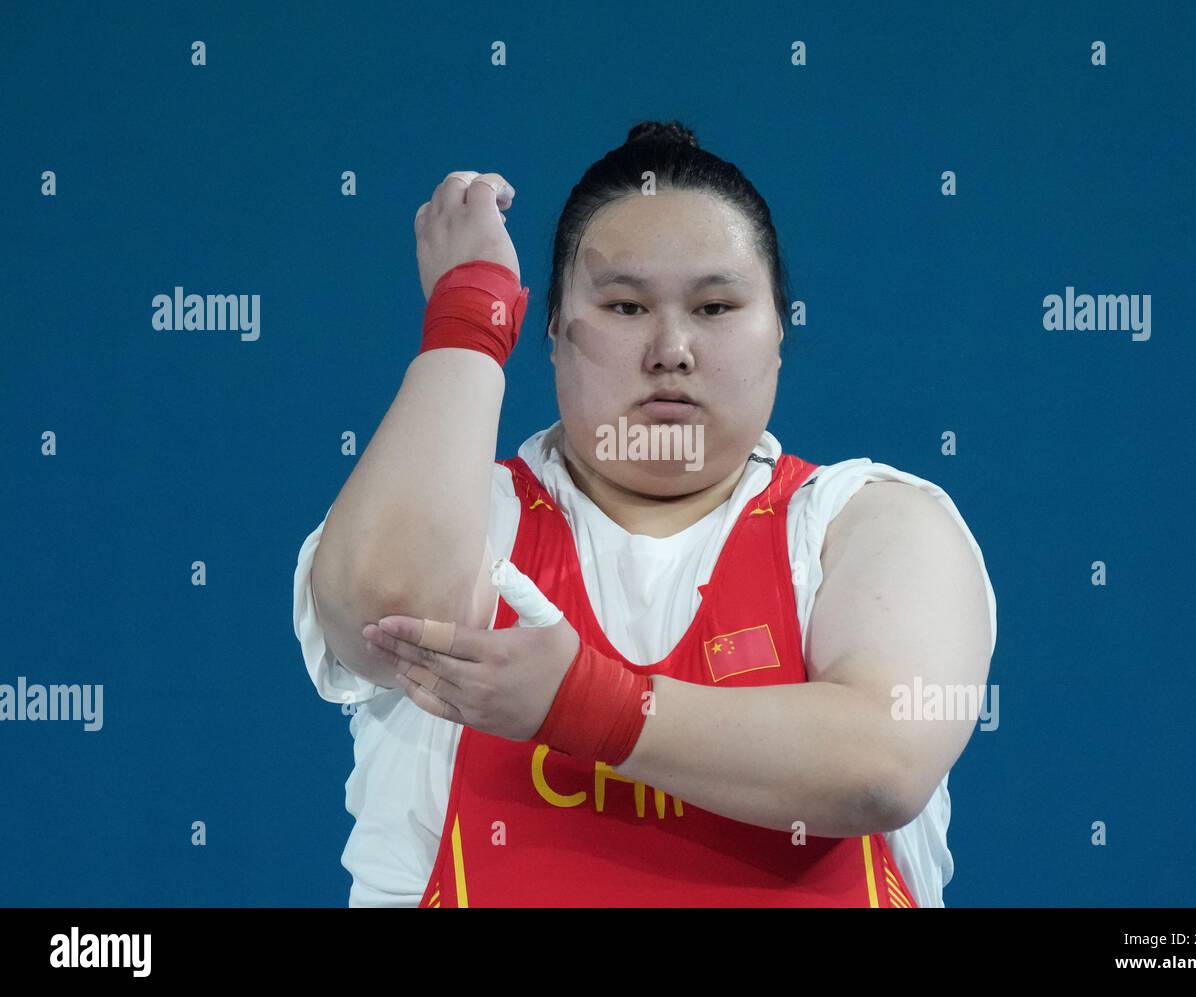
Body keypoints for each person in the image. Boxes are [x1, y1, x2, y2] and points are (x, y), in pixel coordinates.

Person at [292, 120, 997, 907]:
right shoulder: (464, 516)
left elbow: (882, 765)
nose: (672, 347)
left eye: (717, 306)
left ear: (779, 333)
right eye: (624, 306)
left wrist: (579, 705)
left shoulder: (869, 522)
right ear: (551, 330)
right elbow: (387, 615)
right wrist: (468, 314)